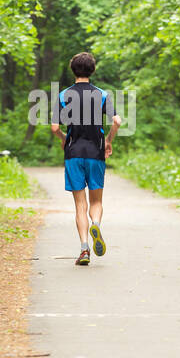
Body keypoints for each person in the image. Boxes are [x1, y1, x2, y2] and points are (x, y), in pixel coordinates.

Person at [51, 52, 121, 266]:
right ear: (93, 70)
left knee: (80, 204)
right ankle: (96, 224)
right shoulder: (101, 94)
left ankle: (84, 249)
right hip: (96, 152)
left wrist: (64, 138)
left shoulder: (63, 95)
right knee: (96, 200)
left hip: (73, 153)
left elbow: (55, 127)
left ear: (73, 70)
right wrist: (108, 140)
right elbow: (116, 121)